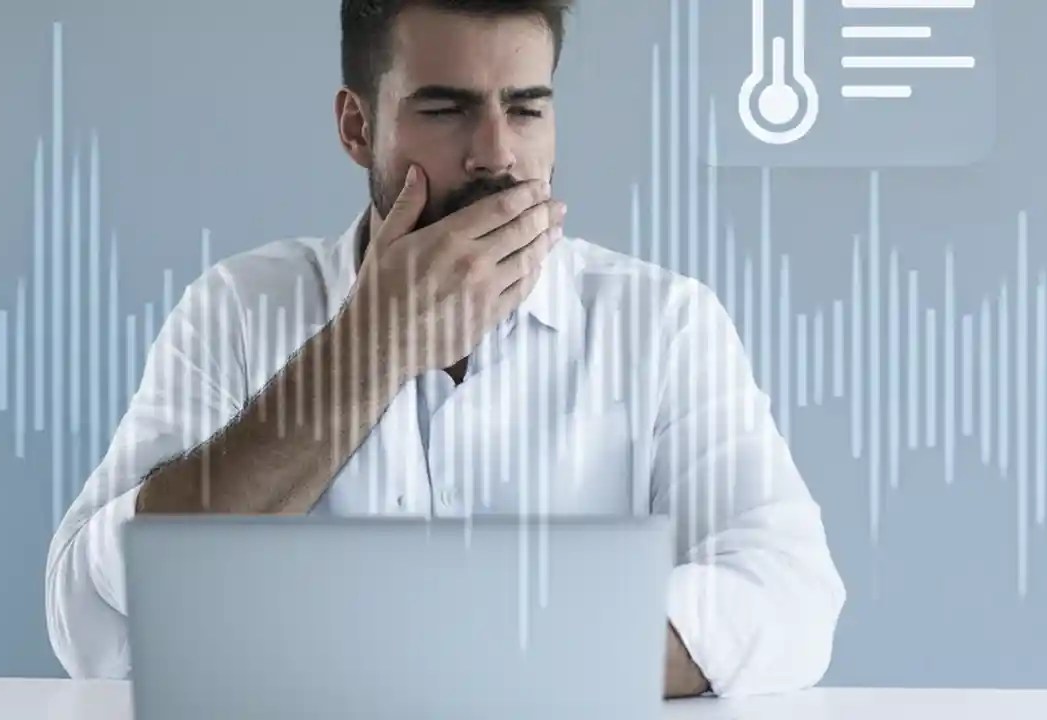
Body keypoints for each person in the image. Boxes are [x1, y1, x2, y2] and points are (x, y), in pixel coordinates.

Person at [45, 0, 846, 699]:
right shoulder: (238, 308)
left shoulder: (664, 322)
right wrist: (372, 346)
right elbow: (93, 615)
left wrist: (465, 656)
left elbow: (787, 596)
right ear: (359, 127)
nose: (496, 154)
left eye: (527, 109)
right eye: (446, 110)